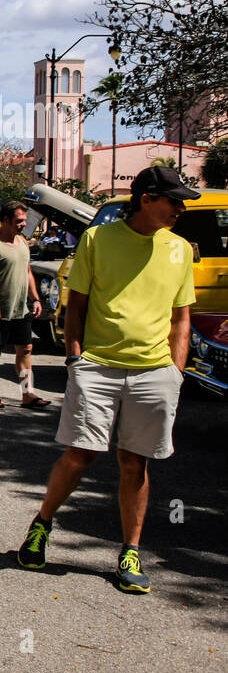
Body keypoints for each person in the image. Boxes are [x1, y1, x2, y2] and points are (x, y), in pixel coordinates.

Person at [17, 167, 199, 594]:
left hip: (156, 371)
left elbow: (181, 317)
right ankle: (41, 524)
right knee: (81, 454)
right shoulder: (98, 239)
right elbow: (76, 304)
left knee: (135, 462)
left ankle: (130, 552)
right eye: (174, 200)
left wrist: (176, 371)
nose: (181, 208)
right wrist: (75, 358)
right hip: (97, 365)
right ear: (148, 199)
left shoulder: (179, 250)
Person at [0, 201, 48, 408]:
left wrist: (35, 298)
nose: (23, 224)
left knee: (25, 349)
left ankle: (28, 394)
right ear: (5, 220)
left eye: (24, 220)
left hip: (21, 309)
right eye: (19, 220)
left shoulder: (23, 242)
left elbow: (27, 272)